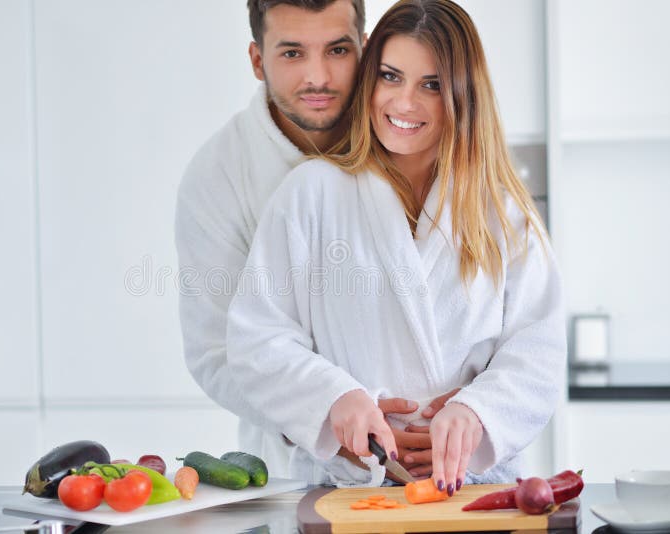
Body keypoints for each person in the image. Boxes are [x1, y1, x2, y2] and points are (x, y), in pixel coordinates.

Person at [226, 0, 566, 492]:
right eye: (391, 76)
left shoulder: (503, 213)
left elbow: (538, 349)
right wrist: (336, 400)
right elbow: (258, 337)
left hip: (472, 490)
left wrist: (476, 412)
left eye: (431, 85)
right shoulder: (311, 194)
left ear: (463, 95)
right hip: (349, 489)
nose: (404, 103)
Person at [175, 0, 455, 480]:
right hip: (302, 469)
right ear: (257, 60)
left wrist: (472, 407)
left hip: (444, 455)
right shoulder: (218, 176)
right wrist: (325, 416)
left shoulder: (413, 134)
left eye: (338, 50)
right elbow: (219, 350)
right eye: (291, 54)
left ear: (365, 50)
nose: (318, 77)